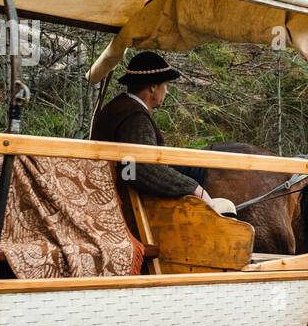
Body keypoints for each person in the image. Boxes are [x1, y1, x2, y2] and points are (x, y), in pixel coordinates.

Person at [89, 51, 228, 214]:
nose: (167, 91)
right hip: (126, 197)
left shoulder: (122, 106)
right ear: (153, 87)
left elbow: (131, 165)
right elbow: (137, 171)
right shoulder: (134, 117)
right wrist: (195, 189)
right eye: (165, 85)